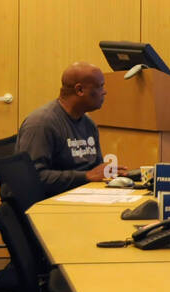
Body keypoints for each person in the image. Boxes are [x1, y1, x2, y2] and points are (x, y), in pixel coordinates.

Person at [16, 62, 124, 198]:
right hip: (50, 204)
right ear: (79, 90)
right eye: (100, 86)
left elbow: (95, 169)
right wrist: (86, 176)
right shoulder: (41, 124)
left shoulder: (88, 123)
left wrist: (108, 172)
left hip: (83, 197)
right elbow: (32, 177)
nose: (104, 92)